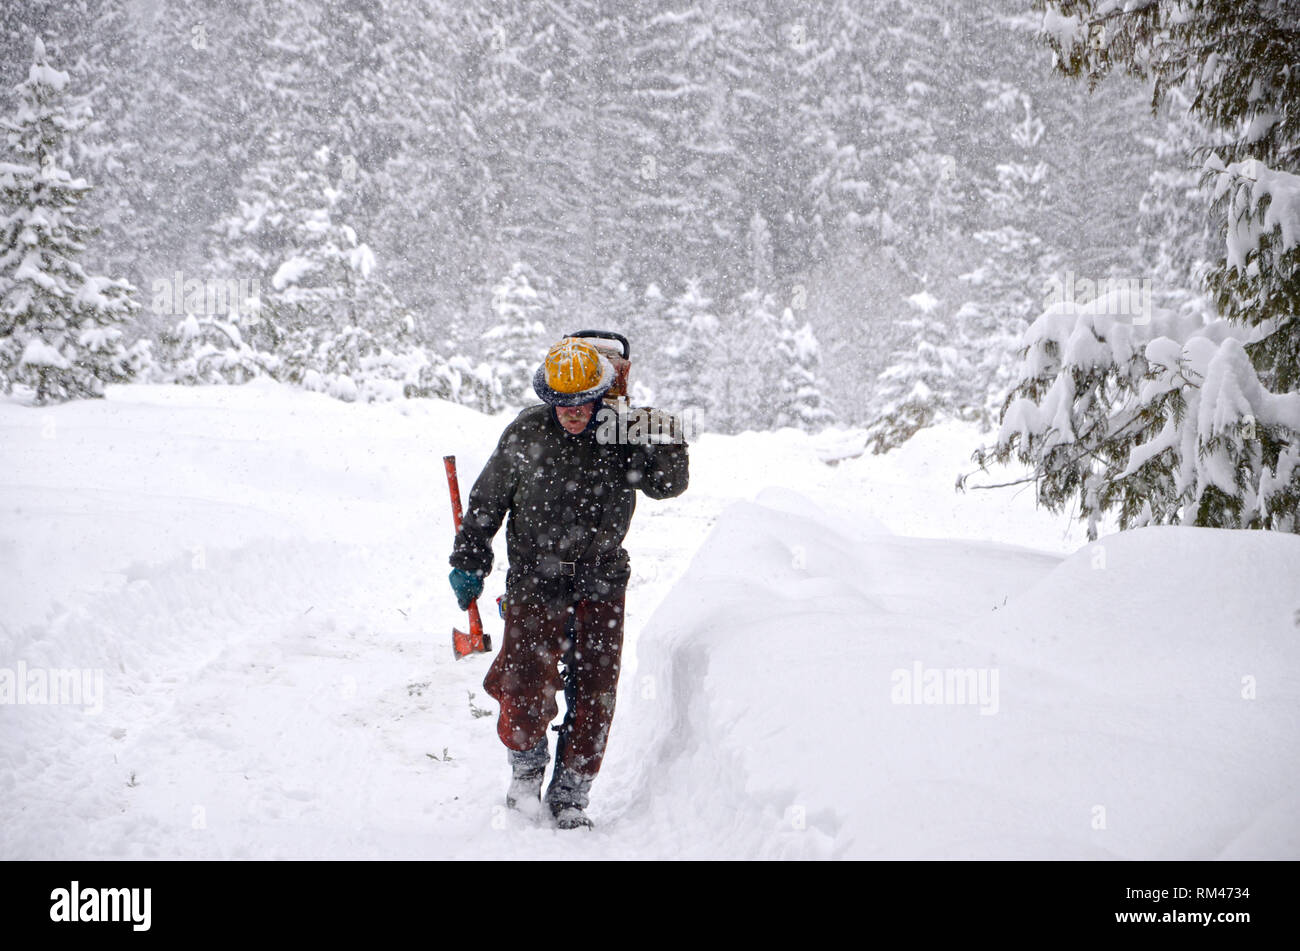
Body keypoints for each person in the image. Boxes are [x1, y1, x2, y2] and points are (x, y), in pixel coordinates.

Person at [448, 336, 689, 829]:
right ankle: (526, 773)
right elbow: (487, 501)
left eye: (582, 403)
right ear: (548, 397)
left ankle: (572, 793)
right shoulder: (527, 433)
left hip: (601, 580)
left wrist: (666, 438)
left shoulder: (620, 435)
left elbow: (668, 485)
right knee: (523, 684)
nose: (572, 414)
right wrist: (470, 558)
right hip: (535, 580)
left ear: (600, 395)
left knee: (595, 691)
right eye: (562, 403)